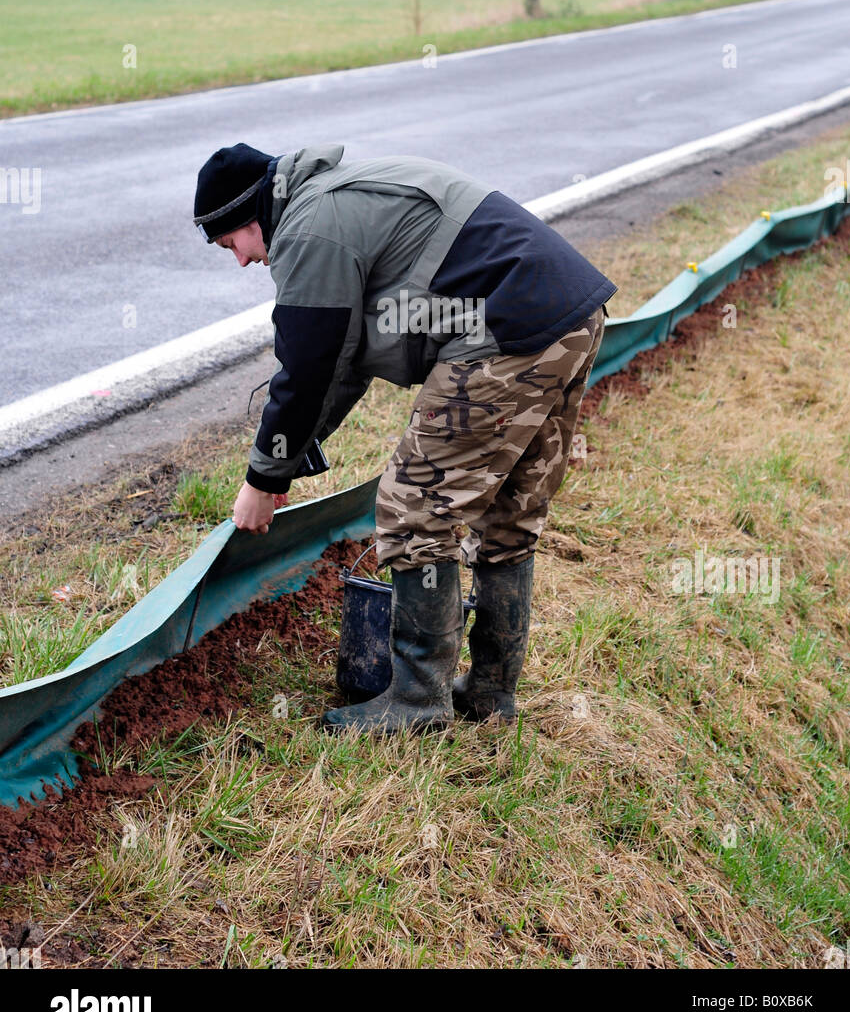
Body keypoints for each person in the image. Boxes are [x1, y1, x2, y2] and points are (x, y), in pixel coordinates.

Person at [193, 142, 616, 734]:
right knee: (509, 514)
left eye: (229, 244)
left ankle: (418, 703)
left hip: (504, 330)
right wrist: (285, 464)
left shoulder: (310, 229)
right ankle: (491, 694)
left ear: (249, 217)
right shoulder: (335, 202)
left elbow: (308, 367)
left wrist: (262, 480)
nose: (239, 261)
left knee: (413, 509)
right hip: (568, 314)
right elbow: (340, 367)